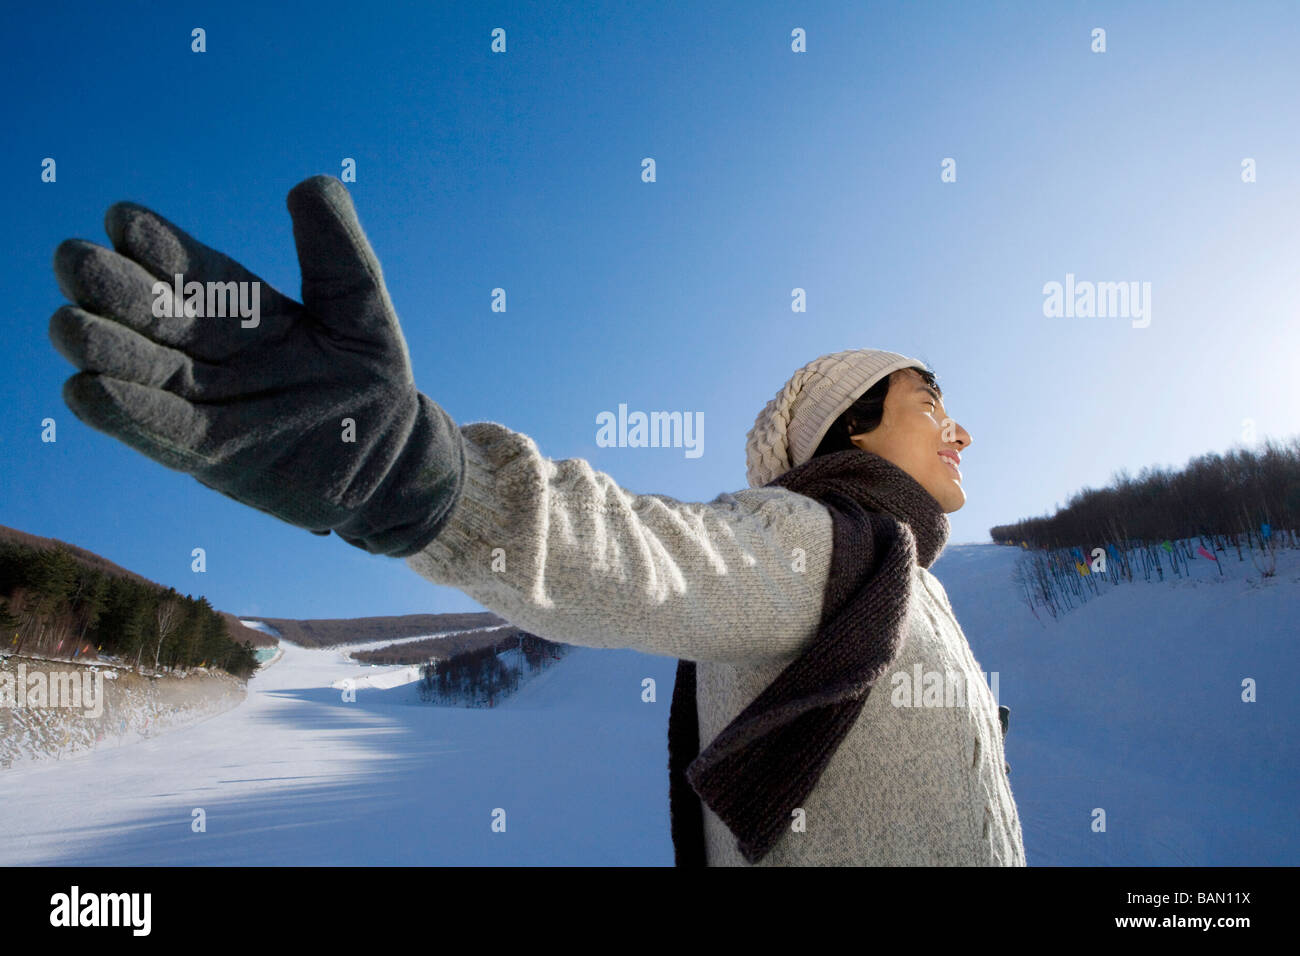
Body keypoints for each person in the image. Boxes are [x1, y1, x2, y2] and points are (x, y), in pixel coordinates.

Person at [47, 174, 1025, 866]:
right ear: (847, 427)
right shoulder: (825, 547)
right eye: (927, 401)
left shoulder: (899, 583)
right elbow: (630, 551)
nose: (960, 428)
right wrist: (406, 468)